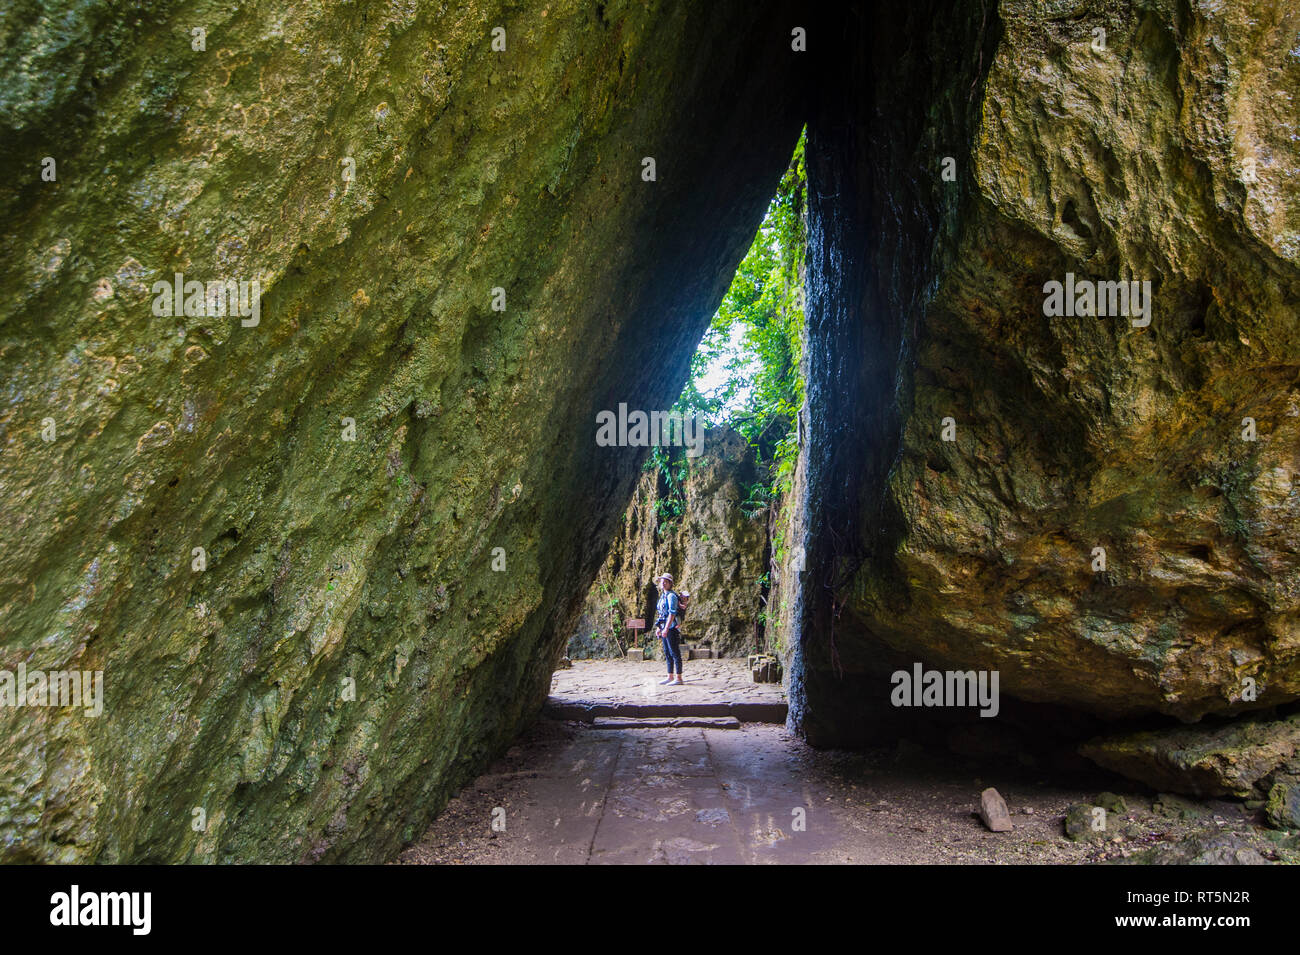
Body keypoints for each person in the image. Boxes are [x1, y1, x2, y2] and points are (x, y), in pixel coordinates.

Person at [653, 572, 684, 685]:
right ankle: (670, 676)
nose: (663, 583)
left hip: (671, 628)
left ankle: (679, 678)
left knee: (674, 652)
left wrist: (666, 628)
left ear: (670, 584)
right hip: (664, 627)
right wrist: (659, 627)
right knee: (667, 652)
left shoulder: (671, 596)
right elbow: (661, 613)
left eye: (666, 581)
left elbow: (672, 613)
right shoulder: (663, 596)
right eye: (662, 581)